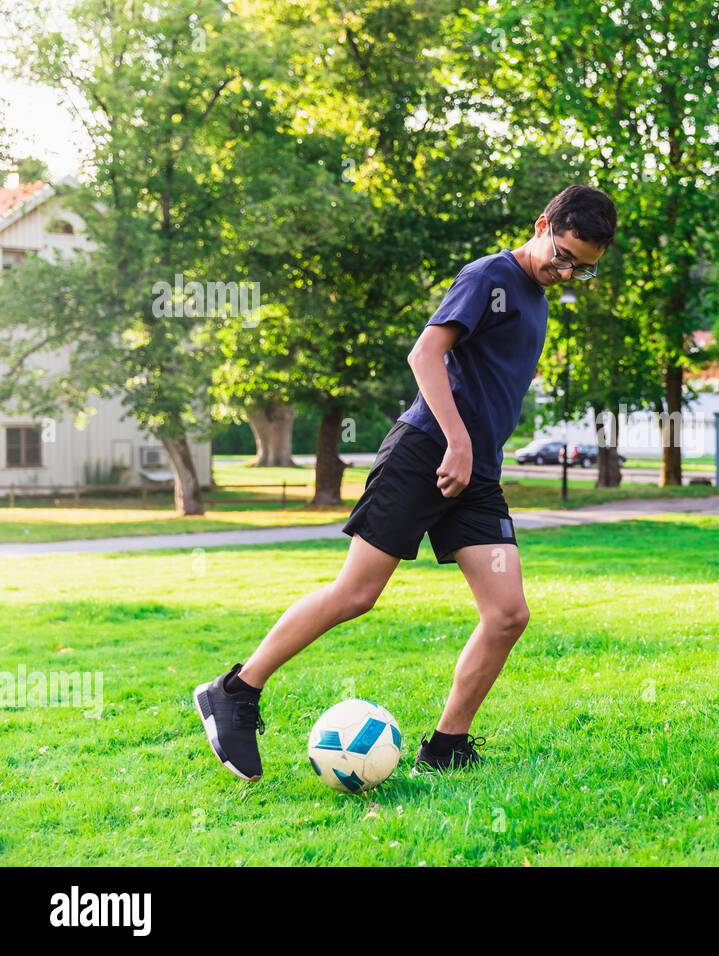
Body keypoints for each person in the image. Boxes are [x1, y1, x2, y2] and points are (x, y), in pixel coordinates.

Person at [193, 185, 617, 780]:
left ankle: (447, 745)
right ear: (543, 224)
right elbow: (425, 355)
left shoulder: (536, 297)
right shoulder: (489, 277)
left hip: (474, 474)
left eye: (583, 269)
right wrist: (459, 439)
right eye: (563, 254)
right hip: (426, 453)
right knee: (357, 595)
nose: (566, 271)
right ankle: (235, 690)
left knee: (507, 614)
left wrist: (475, 453)